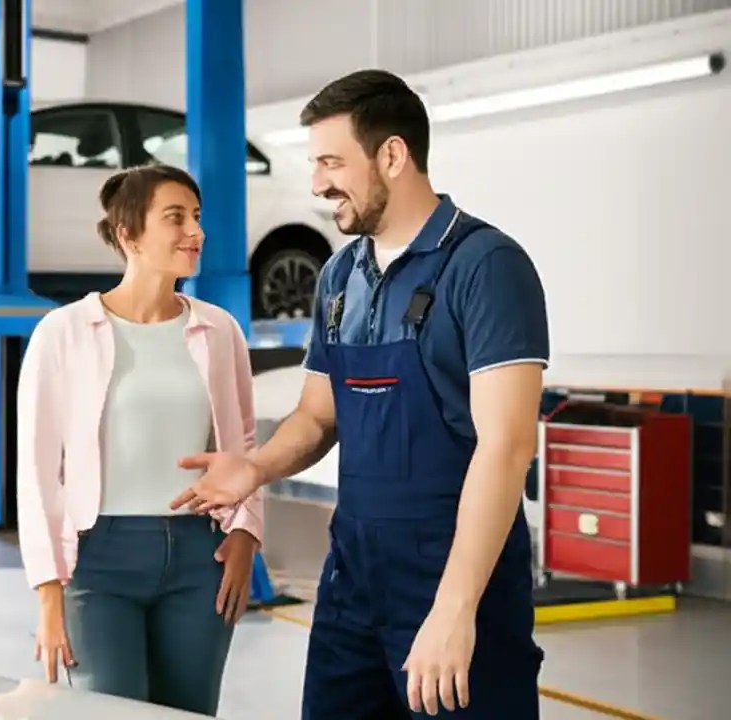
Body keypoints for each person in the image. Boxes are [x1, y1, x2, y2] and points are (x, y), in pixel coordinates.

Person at [170, 69, 549, 718]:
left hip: (458, 579)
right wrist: (254, 468)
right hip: (354, 580)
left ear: (393, 155)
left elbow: (507, 447)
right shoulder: (341, 277)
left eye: (330, 162)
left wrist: (455, 609)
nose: (317, 184)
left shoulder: (486, 268)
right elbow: (319, 416)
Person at [15, 163, 264, 716]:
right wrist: (48, 592)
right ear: (129, 235)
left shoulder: (219, 330)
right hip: (99, 562)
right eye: (175, 218)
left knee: (191, 713)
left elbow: (242, 441)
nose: (194, 231)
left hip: (203, 557)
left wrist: (246, 535)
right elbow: (36, 471)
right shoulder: (63, 333)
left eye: (197, 217)